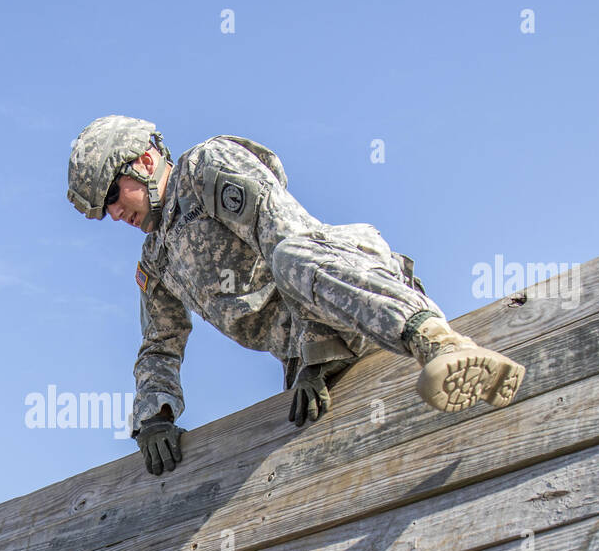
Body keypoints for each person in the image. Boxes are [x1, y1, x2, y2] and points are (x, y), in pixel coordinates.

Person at [67, 115, 526, 477]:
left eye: (111, 195)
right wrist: (154, 419)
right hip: (309, 355)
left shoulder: (207, 169)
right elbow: (159, 345)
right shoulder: (157, 259)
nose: (112, 214)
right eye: (102, 210)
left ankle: (440, 344)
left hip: (350, 297)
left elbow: (286, 235)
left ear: (144, 163)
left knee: (289, 255)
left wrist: (316, 348)